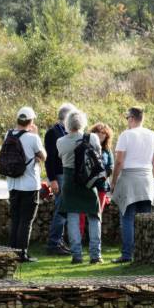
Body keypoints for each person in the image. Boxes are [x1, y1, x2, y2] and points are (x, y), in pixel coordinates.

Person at [110, 107, 154, 264]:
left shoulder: (126, 135)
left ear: (132, 118)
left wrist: (113, 181)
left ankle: (127, 254)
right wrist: (150, 178)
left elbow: (119, 161)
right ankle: (144, 254)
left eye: (127, 118)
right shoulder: (152, 134)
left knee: (127, 217)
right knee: (144, 218)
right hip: (146, 178)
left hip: (129, 178)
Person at [56, 110, 103, 264]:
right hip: (88, 180)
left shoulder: (60, 141)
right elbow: (98, 154)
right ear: (83, 123)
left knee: (72, 218)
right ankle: (95, 255)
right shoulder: (92, 138)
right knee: (94, 216)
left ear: (67, 124)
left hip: (69, 181)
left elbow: (61, 157)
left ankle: (77, 255)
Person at [4, 106, 46, 263]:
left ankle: (12, 251)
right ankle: (22, 253)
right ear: (31, 121)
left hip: (12, 184)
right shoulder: (33, 138)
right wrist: (36, 135)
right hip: (29, 185)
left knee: (15, 219)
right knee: (26, 221)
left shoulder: (8, 134)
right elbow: (44, 156)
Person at [44, 103, 77, 255]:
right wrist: (52, 179)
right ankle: (53, 243)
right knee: (61, 210)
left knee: (64, 209)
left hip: (67, 175)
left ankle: (59, 241)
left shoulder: (66, 132)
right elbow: (49, 158)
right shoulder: (52, 133)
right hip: (59, 175)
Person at [89, 122, 114, 213]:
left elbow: (111, 166)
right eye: (98, 132)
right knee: (83, 213)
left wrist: (103, 176)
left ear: (107, 136)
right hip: (88, 185)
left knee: (98, 213)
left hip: (102, 185)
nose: (100, 134)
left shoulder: (107, 150)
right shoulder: (86, 147)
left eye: (103, 133)